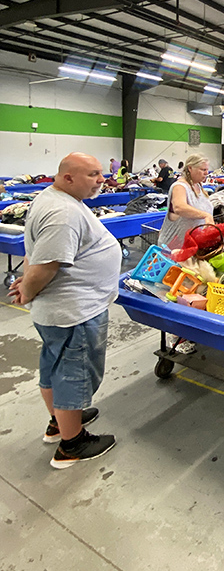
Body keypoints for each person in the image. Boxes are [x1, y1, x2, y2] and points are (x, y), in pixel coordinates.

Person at [9, 153, 119, 468]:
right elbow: (46, 264)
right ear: (68, 177)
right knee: (74, 373)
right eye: (92, 174)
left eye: (101, 172)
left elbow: (34, 255)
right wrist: (28, 289)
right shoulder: (62, 212)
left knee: (55, 367)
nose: (102, 179)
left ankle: (60, 422)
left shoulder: (55, 198)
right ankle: (72, 444)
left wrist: (28, 286)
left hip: (61, 310)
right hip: (74, 311)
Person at [157, 154, 213, 250]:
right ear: (190, 168)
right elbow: (179, 207)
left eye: (207, 170)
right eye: (203, 170)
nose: (206, 173)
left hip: (192, 246)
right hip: (174, 249)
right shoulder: (179, 187)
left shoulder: (198, 186)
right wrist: (206, 215)